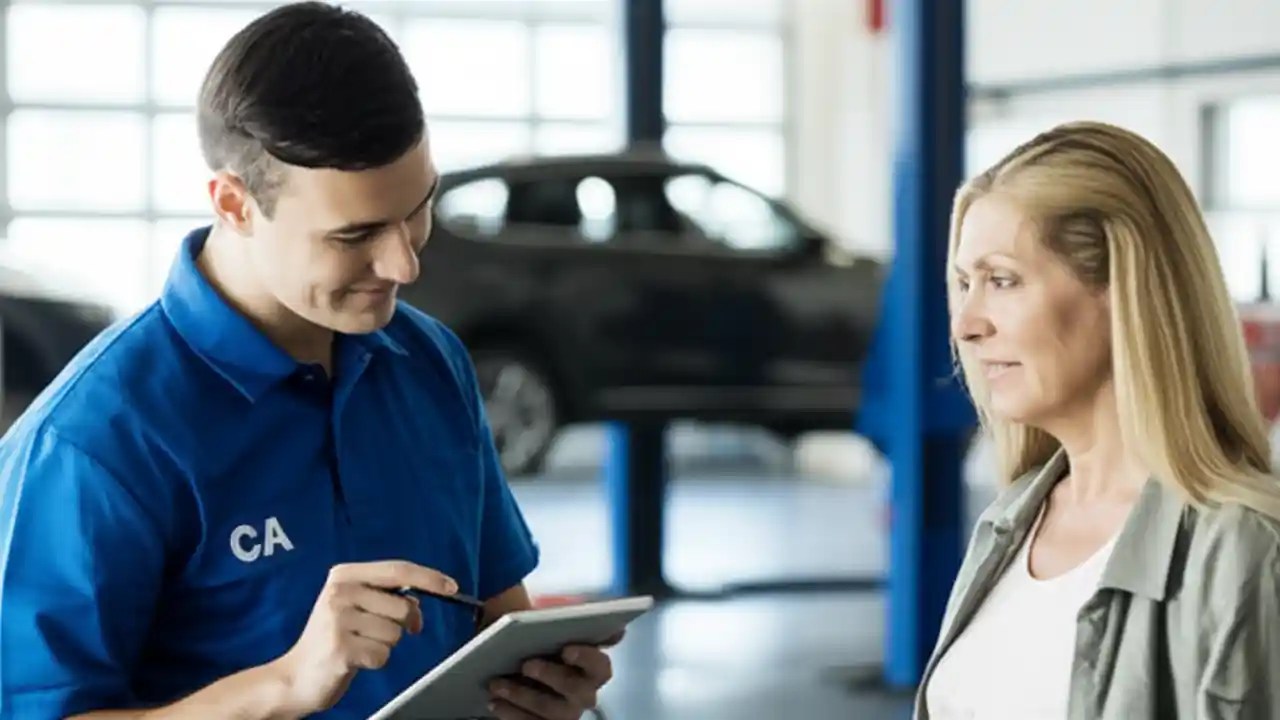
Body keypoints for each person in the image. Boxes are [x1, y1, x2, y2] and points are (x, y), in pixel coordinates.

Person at [0, 3, 617, 719]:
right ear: (234, 204)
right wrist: (285, 686)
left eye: (417, 209)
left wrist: (539, 687)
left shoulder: (430, 361)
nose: (404, 262)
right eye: (354, 234)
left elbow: (494, 614)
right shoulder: (93, 442)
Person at [917, 121, 1280, 719]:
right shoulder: (1010, 521)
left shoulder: (1242, 553)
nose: (966, 323)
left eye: (1002, 280)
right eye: (964, 283)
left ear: (1122, 289)